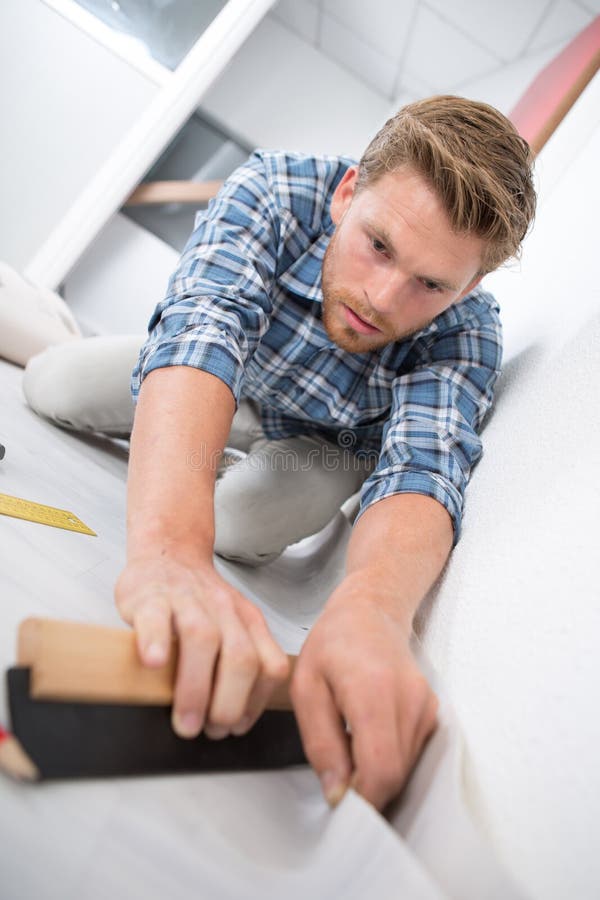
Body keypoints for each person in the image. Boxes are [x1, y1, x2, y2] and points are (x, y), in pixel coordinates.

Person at [16, 95, 536, 813]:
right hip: (233, 381)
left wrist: (375, 612)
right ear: (348, 193)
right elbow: (204, 328)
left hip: (326, 446)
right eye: (380, 246)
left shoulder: (468, 333)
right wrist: (169, 550)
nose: (383, 298)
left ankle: (205, 454)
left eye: (430, 284)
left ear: (469, 286)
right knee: (51, 384)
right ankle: (196, 437)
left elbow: (423, 469)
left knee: (238, 522)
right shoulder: (276, 189)